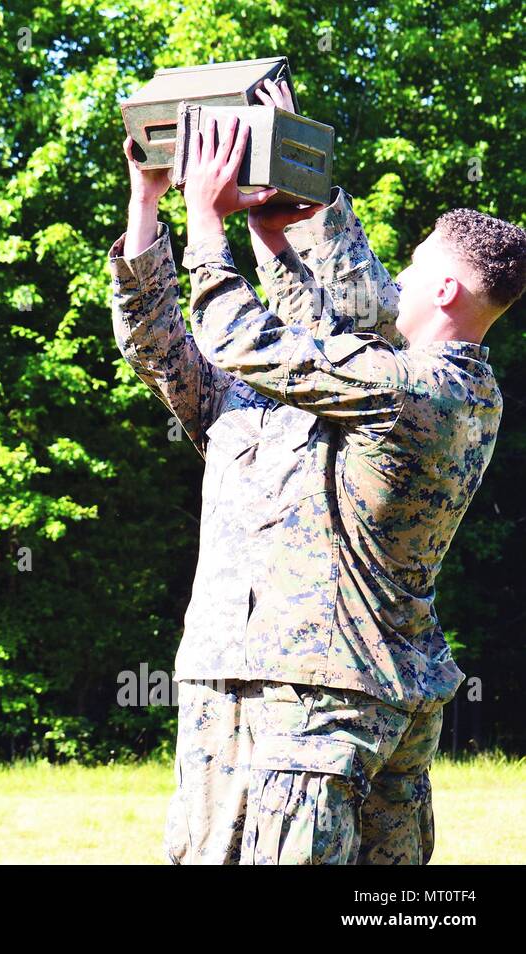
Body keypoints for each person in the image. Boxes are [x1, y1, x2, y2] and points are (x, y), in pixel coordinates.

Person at [130, 103, 524, 864]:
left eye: (411, 268)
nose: (396, 278)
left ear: (444, 292)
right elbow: (314, 334)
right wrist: (274, 226)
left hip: (316, 705)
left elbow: (250, 338)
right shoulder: (462, 390)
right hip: (372, 692)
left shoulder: (412, 388)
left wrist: (208, 224)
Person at [112, 80, 392, 863]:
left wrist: (299, 179)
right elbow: (153, 335)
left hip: (321, 677)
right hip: (220, 671)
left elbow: (358, 315)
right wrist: (148, 196)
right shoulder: (226, 399)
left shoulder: (372, 389)